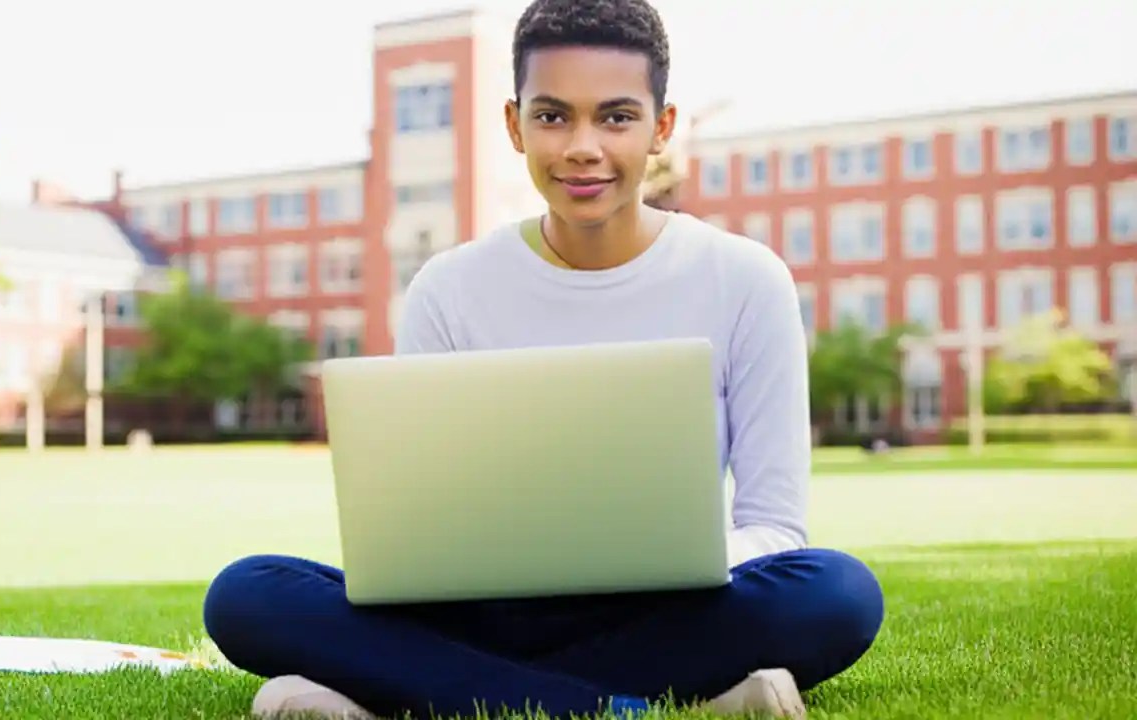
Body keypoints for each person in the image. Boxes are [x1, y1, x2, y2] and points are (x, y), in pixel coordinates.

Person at [202, 0, 884, 717]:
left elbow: (775, 528)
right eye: (553, 116)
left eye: (616, 117)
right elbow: (421, 528)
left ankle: (414, 692)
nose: (581, 147)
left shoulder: (746, 279)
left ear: (661, 127)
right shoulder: (449, 286)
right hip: (484, 611)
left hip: (668, 609)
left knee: (837, 594)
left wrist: (682, 561)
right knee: (248, 595)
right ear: (514, 124)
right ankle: (640, 706)